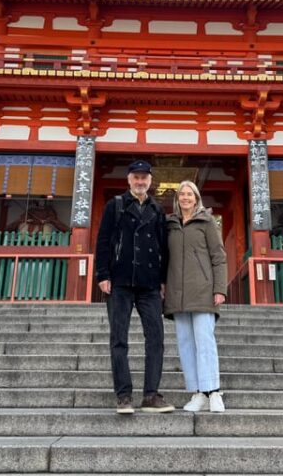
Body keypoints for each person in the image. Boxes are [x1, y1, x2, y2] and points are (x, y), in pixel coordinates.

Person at [95, 159, 174, 415]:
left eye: (145, 178)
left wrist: (162, 279)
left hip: (149, 283)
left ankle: (151, 394)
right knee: (119, 339)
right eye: (136, 177)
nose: (140, 182)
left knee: (156, 338)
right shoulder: (115, 206)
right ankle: (124, 395)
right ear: (129, 179)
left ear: (150, 181)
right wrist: (103, 274)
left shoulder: (157, 209)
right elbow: (104, 241)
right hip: (120, 282)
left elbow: (163, 248)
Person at [163, 180, 227, 413]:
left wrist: (219, 288)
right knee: (186, 343)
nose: (186, 198)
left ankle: (214, 391)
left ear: (197, 198)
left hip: (202, 289)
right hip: (177, 293)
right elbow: (165, 258)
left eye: (190, 194)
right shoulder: (170, 224)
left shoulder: (206, 222)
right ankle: (198, 392)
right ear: (177, 198)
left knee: (205, 341)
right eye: (182, 194)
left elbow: (219, 256)